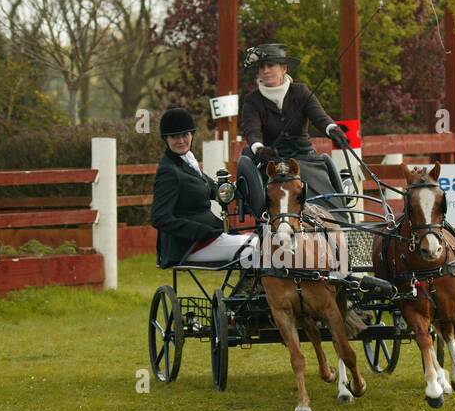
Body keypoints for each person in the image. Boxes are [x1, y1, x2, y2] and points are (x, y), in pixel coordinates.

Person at [234, 43, 352, 219]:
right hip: (272, 163)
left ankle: (339, 230)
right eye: (261, 67)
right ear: (257, 72)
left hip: (305, 159)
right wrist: (260, 149)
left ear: (283, 68)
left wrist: (333, 129)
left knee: (332, 208)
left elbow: (320, 117)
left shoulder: (301, 92)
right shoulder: (252, 101)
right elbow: (252, 131)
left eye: (271, 65)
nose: (266, 70)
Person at [151, 107, 255, 266]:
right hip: (190, 245)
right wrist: (200, 231)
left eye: (185, 135)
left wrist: (239, 191)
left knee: (259, 240)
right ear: (166, 139)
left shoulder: (187, 163)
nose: (181, 141)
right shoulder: (169, 171)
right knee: (256, 246)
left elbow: (213, 189)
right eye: (174, 136)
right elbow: (159, 218)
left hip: (210, 237)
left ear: (191, 134)